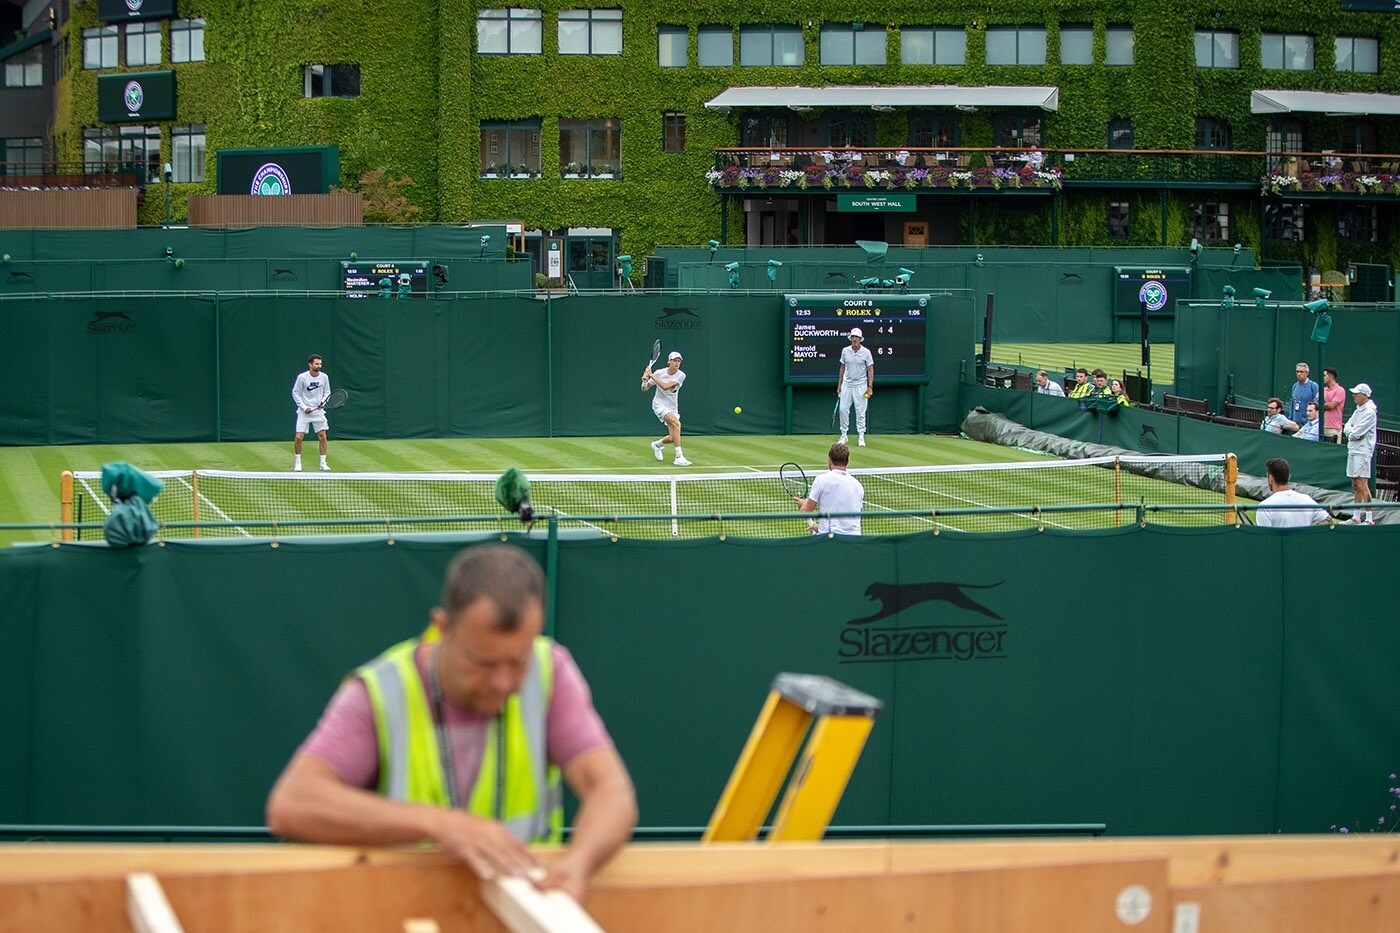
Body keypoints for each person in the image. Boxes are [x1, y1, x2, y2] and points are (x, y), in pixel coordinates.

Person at [265, 544, 637, 903]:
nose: (502, 682)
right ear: (442, 628)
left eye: (517, 662)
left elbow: (611, 791)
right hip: (404, 907)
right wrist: (441, 824)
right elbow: (293, 802)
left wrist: (579, 864)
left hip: (525, 912)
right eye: (483, 662)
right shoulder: (383, 690)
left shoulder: (549, 670)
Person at [794, 443, 864, 535]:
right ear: (848, 461)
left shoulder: (821, 480)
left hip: (830, 538)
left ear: (829, 461)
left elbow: (806, 510)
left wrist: (803, 504)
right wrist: (818, 528)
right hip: (854, 538)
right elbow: (846, 525)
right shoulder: (858, 486)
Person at [644, 351, 690, 466]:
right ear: (669, 361)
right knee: (677, 424)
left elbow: (665, 387)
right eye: (674, 360)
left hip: (672, 407)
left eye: (678, 361)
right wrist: (644, 381)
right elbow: (644, 389)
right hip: (659, 404)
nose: (677, 363)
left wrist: (651, 375)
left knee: (672, 437)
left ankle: (656, 445)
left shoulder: (681, 375)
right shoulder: (659, 373)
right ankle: (679, 457)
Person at [1255, 457, 1328, 528]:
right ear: (1289, 477)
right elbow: (1327, 522)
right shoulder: (1307, 500)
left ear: (1270, 478)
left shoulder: (1265, 507)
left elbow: (1264, 536)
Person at [1343, 382, 1378, 524]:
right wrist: (1351, 432)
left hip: (1363, 452)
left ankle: (1369, 519)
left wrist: (1352, 432)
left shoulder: (1370, 412)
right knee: (1355, 484)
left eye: (1357, 394)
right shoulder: (1358, 410)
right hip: (1353, 449)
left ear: (1364, 395)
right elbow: (1348, 427)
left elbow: (1357, 433)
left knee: (1363, 484)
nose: (1354, 396)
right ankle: (1356, 517)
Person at [292, 353, 332, 472]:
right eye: (316, 364)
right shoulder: (302, 377)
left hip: (318, 412)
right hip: (304, 412)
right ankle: (298, 463)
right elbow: (296, 393)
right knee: (298, 437)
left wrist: (323, 402)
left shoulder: (324, 377)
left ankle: (323, 463)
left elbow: (327, 392)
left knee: (322, 436)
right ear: (310, 364)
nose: (319, 366)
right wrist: (304, 407)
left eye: (320, 364)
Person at [836, 327, 875, 447]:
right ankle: (844, 435)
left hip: (861, 386)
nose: (855, 339)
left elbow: (870, 370)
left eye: (857, 337)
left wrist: (870, 386)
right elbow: (842, 368)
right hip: (847, 385)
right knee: (843, 410)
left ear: (860, 339)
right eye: (853, 337)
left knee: (860, 412)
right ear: (851, 338)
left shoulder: (866, 352)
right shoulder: (845, 351)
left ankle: (861, 436)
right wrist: (839, 385)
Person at [1288, 363, 1319, 428]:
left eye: (1301, 372)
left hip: (1307, 423)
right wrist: (1290, 419)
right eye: (1297, 372)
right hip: (1295, 423)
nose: (1299, 374)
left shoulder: (1313, 386)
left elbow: (1316, 404)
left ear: (1307, 373)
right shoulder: (1295, 386)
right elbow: (1292, 403)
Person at [1322, 368, 1345, 443]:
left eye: (1324, 375)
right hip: (1321, 427)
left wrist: (1322, 405)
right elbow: (1316, 405)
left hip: (1334, 429)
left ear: (1331, 376)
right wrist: (1326, 405)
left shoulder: (1340, 390)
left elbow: (1332, 405)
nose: (1323, 378)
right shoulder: (1323, 390)